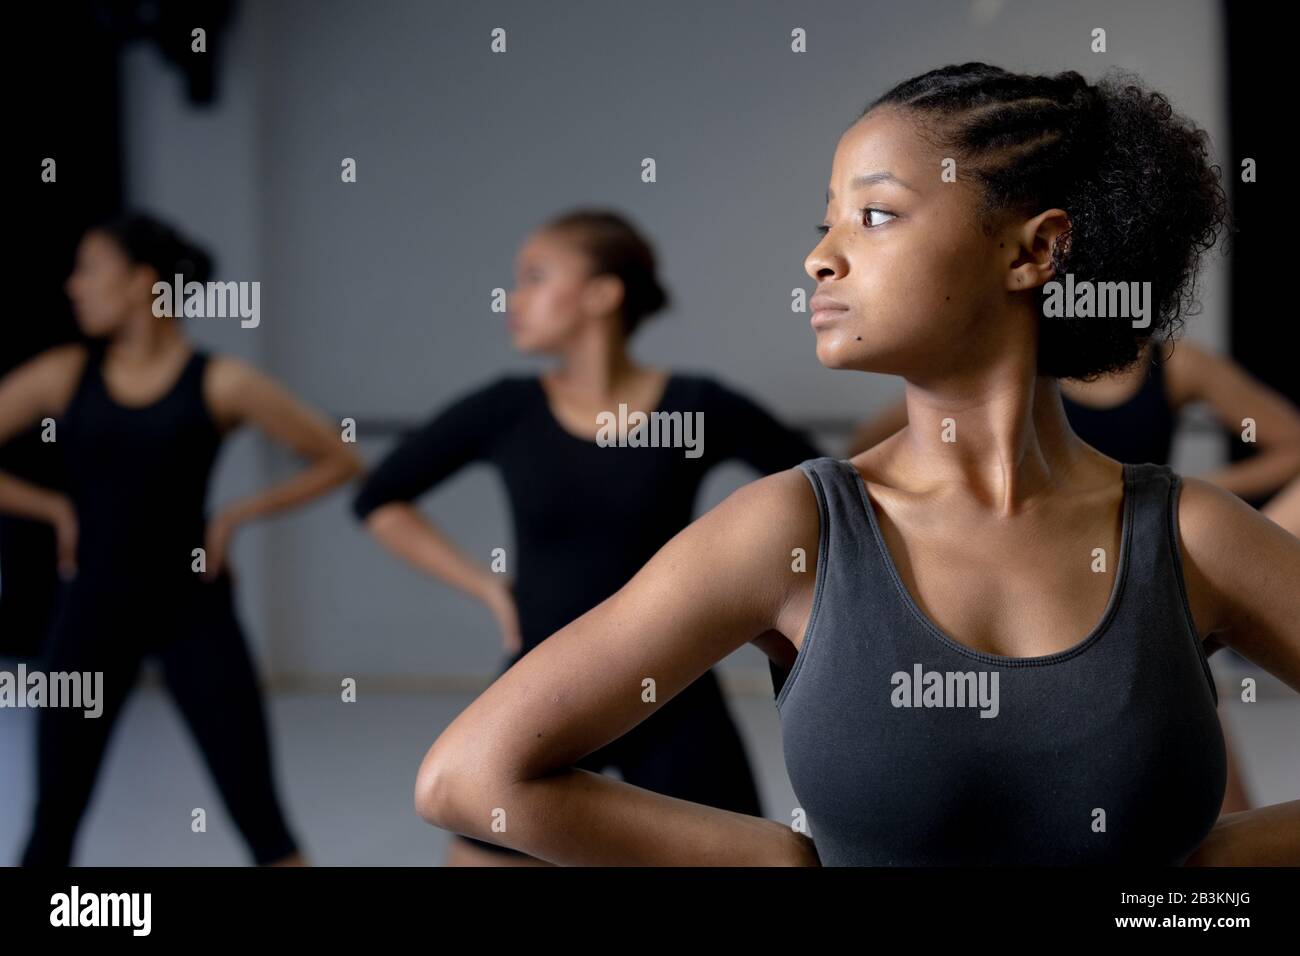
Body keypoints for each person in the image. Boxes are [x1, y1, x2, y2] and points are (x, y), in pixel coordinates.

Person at [412, 64, 1300, 865]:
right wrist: (778, 866)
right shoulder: (793, 531)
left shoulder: (1190, 535)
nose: (819, 256)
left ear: (1034, 251)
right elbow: (470, 776)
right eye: (825, 220)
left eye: (873, 215)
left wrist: (1204, 875)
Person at [352, 209, 824, 866]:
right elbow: (378, 497)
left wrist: (757, 605)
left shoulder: (695, 405)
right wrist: (490, 591)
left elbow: (829, 491)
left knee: (767, 857)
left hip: (672, 687)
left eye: (536, 277)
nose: (513, 300)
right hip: (544, 686)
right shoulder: (509, 408)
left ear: (604, 294)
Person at [0, 212, 363, 865]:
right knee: (51, 822)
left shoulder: (221, 382)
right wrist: (54, 507)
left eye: (89, 269)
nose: (72, 286)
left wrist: (236, 515)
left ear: (142, 281)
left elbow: (340, 459)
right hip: (89, 611)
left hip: (192, 611)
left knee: (262, 820)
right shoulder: (64, 374)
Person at [846, 338, 1300, 815]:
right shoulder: (1014, 367)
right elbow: (867, 452)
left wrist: (1202, 496)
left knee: (1217, 805)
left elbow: (1289, 441)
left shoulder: (1173, 364)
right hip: (1046, 584)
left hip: (1147, 586)